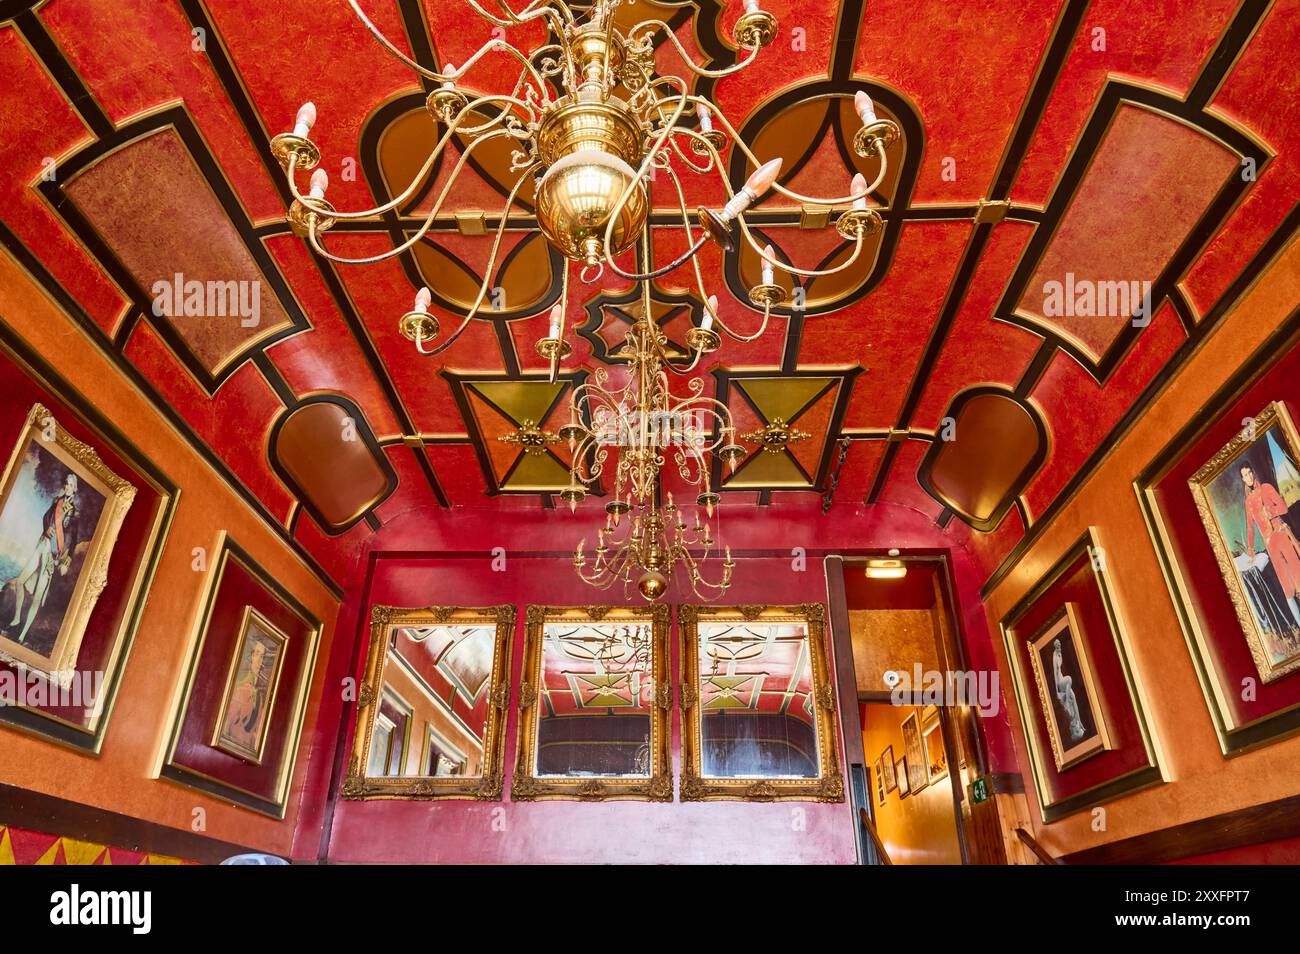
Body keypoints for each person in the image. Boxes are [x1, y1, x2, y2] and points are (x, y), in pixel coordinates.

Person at [5, 472, 79, 645]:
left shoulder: (75, 513)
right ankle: (16, 619)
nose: (67, 487)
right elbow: (46, 518)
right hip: (42, 544)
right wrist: (46, 529)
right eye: (66, 484)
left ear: (74, 488)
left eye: (70, 485)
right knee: (20, 581)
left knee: (38, 596)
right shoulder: (57, 502)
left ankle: (22, 634)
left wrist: (66, 561)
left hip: (54, 555)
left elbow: (73, 540)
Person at [1241, 463, 1300, 633]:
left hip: (1282, 536)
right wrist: (1251, 550)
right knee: (1286, 587)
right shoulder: (1248, 502)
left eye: (1249, 473)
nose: (1249, 477)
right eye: (1245, 475)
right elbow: (1250, 528)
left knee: (1297, 575)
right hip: (1270, 544)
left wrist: (1270, 510)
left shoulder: (1266, 488)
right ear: (1243, 480)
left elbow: (1283, 507)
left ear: (1253, 473)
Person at [223, 638, 269, 752]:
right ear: (250, 657)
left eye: (262, 656)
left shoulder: (260, 697)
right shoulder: (238, 688)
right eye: (256, 654)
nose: (259, 660)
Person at [1052, 638, 1086, 742]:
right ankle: (1067, 701)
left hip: (1063, 681)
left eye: (1059, 646)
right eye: (1057, 646)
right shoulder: (1055, 656)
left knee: (1074, 697)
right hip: (1059, 682)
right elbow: (1054, 673)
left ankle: (1080, 721)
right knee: (1069, 679)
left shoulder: (1059, 655)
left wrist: (1079, 721)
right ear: (1055, 647)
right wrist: (1057, 691)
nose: (1059, 648)